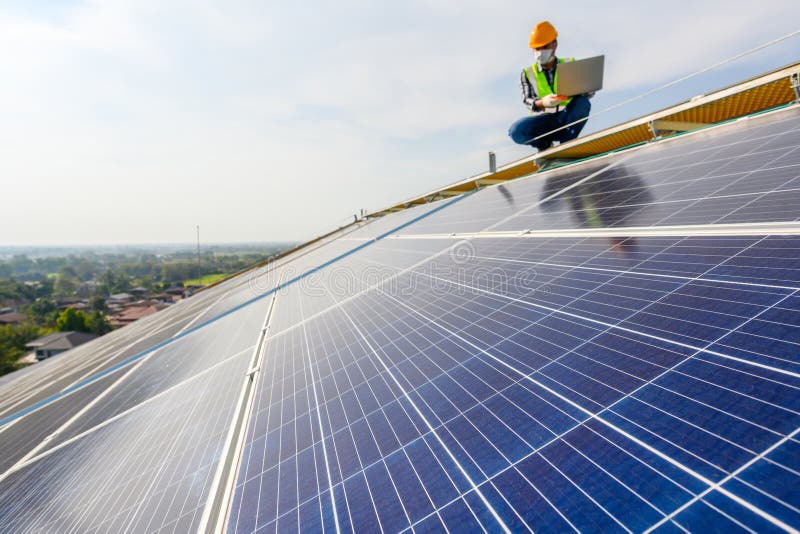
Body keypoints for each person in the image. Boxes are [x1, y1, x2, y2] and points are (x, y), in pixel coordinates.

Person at [508, 21, 592, 151]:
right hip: (545, 122)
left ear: (555, 44)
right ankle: (545, 147)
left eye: (545, 47)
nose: (541, 52)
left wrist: (582, 88)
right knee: (516, 131)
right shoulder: (527, 73)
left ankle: (566, 147)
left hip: (567, 119)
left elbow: (588, 94)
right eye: (537, 48)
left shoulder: (569, 64)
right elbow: (527, 100)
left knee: (582, 103)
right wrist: (544, 102)